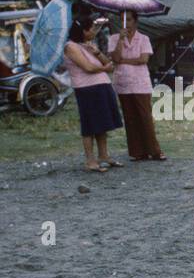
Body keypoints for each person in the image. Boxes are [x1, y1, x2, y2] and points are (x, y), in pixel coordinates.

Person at [63, 13, 123, 173]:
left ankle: (104, 156)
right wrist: (105, 68)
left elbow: (106, 61)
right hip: (86, 88)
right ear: (83, 30)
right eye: (91, 29)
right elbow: (88, 67)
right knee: (90, 124)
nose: (93, 32)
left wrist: (96, 52)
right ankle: (90, 160)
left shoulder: (88, 44)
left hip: (101, 85)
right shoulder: (71, 47)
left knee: (102, 123)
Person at [108, 11, 165, 161]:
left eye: (130, 20)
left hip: (140, 82)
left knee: (145, 116)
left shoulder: (144, 38)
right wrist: (121, 40)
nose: (126, 23)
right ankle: (137, 152)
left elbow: (143, 59)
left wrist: (123, 61)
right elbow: (115, 58)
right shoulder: (114, 38)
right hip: (123, 82)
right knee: (130, 118)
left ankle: (155, 150)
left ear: (135, 21)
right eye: (123, 20)